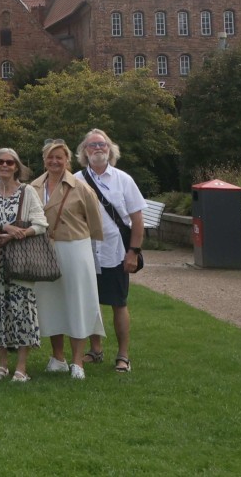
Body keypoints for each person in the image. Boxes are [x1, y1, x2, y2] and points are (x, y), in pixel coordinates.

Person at [32, 138, 105, 380]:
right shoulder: (33, 187)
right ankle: (58, 358)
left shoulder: (81, 188)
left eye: (59, 157)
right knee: (51, 303)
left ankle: (77, 361)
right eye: (50, 157)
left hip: (74, 248)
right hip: (45, 250)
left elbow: (95, 223)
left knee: (77, 303)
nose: (54, 161)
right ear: (44, 160)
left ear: (67, 160)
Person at [76, 129, 143, 374]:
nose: (98, 148)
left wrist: (133, 251)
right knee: (90, 302)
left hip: (116, 251)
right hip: (85, 250)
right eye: (92, 145)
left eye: (102, 144)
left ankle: (123, 355)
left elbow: (137, 219)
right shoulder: (76, 180)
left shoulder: (123, 179)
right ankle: (95, 349)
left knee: (118, 303)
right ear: (85, 151)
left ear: (110, 149)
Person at [0, 148, 47, 382]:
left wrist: (17, 234)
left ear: (17, 166)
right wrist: (3, 228)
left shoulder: (27, 192)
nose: (5, 166)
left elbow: (41, 224)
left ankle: (21, 367)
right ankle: (2, 364)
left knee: (22, 313)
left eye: (10, 162)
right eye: (0, 162)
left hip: (21, 260)